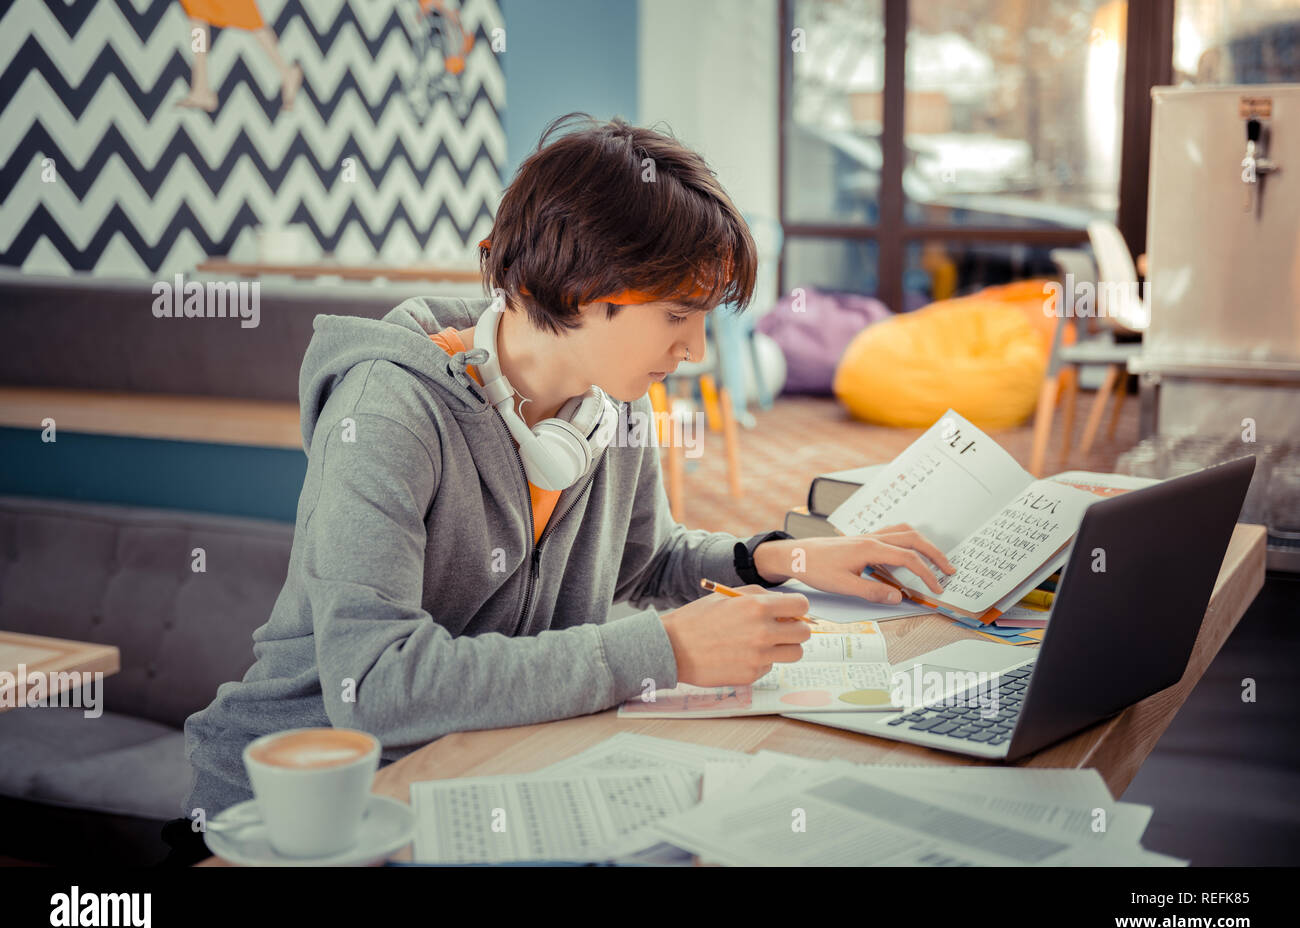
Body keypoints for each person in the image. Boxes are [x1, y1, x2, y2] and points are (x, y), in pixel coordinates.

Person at [161, 113, 954, 865]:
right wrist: (667, 649)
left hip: (484, 764)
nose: (694, 349)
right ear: (584, 288)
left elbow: (644, 565)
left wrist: (782, 560)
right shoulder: (389, 410)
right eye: (680, 314)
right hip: (314, 811)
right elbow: (374, 685)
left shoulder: (615, 403)